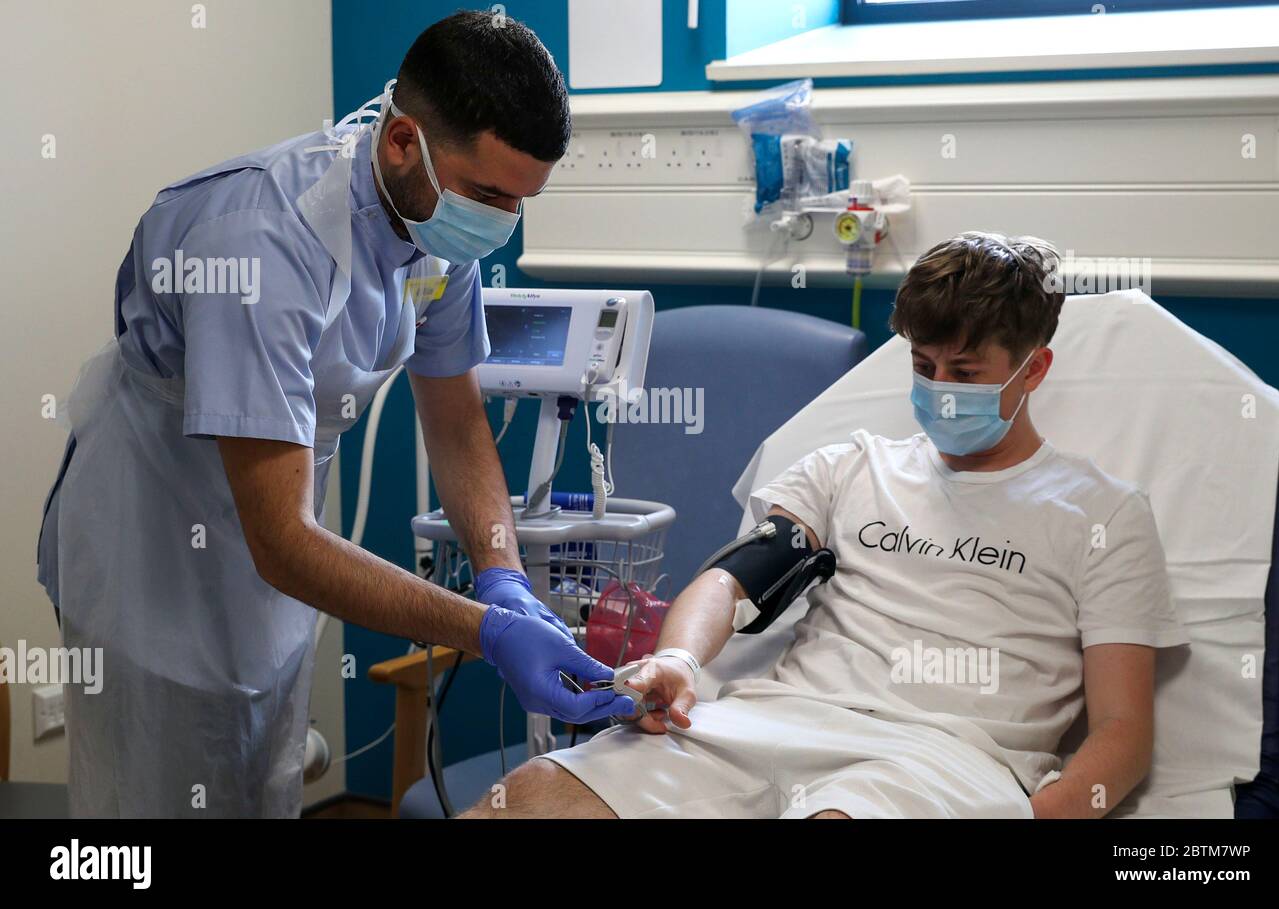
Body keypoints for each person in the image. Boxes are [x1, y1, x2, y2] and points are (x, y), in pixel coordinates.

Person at [36, 11, 631, 819]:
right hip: (154, 545)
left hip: (270, 548)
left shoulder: (438, 229)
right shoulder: (262, 243)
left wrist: (503, 574)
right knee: (151, 801)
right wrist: (484, 631)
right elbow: (281, 542)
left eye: (521, 202)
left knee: (259, 784)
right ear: (400, 141)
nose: (500, 223)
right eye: (488, 194)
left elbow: (455, 420)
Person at [462, 232, 1190, 819]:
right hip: (771, 723)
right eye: (923, 364)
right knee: (527, 798)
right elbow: (732, 578)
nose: (939, 388)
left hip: (942, 761)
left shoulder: (1103, 514)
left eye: (966, 373)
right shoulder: (855, 466)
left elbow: (1123, 733)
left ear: (1033, 370)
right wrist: (680, 661)